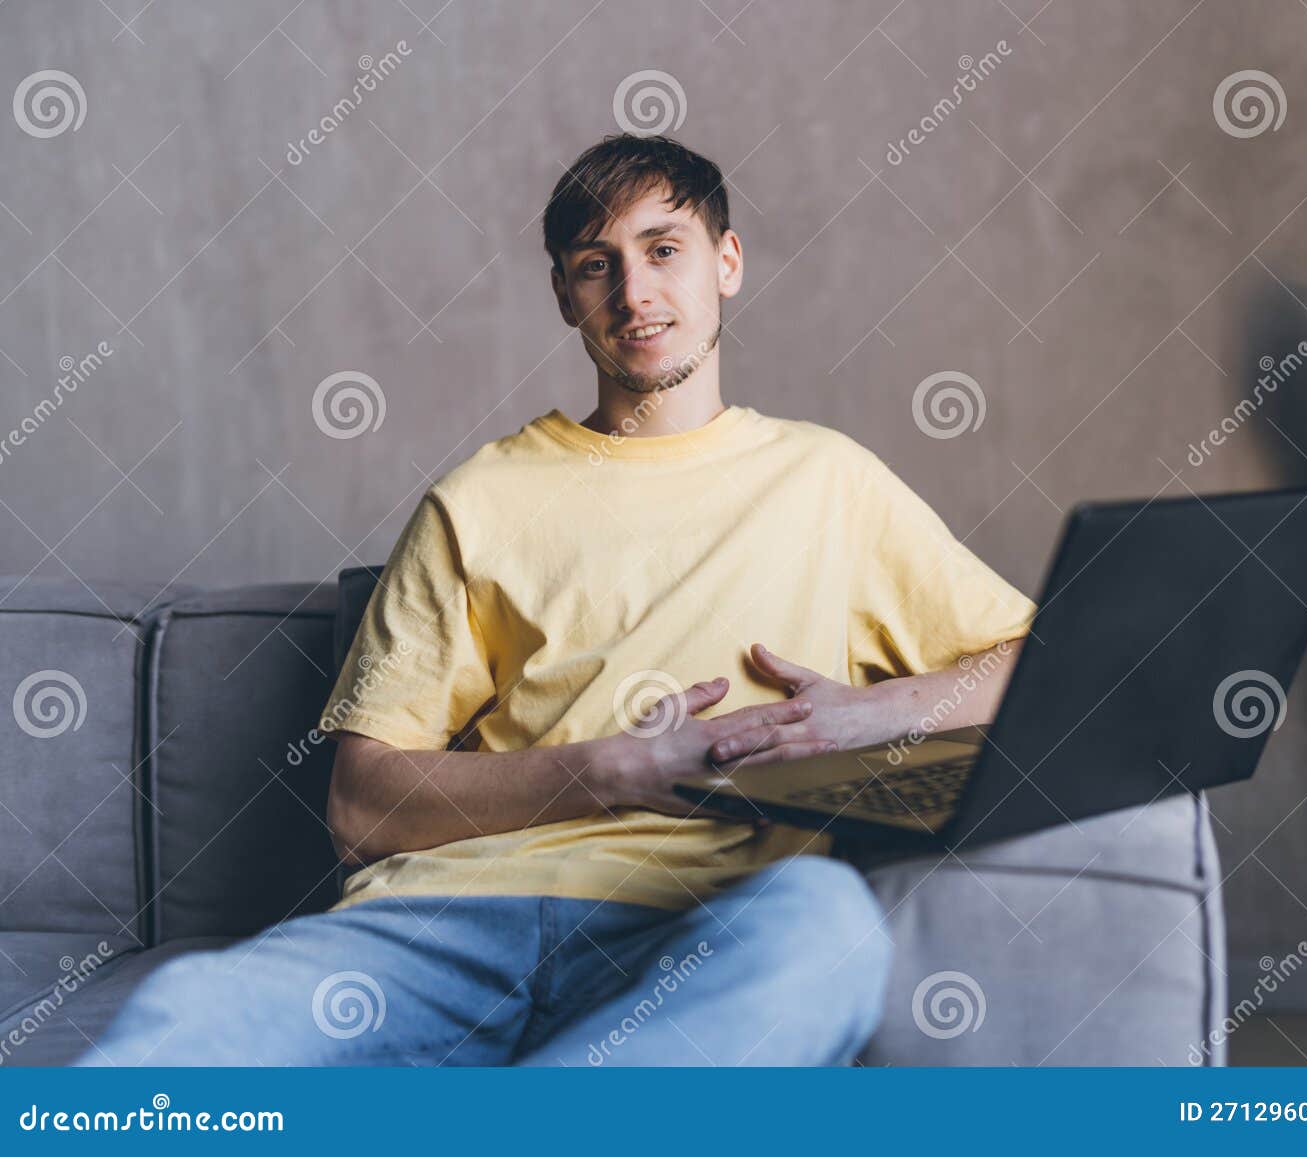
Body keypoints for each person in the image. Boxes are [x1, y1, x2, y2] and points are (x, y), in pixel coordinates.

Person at [77, 133, 1036, 1067]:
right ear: (564, 295)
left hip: (684, 929)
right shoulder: (479, 498)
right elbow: (363, 808)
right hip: (436, 932)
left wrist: (866, 713)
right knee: (187, 1014)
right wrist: (612, 767)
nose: (635, 292)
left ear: (727, 263)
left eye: (664, 250)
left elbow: (1042, 659)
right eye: (596, 264)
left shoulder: (831, 482)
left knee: (829, 930)